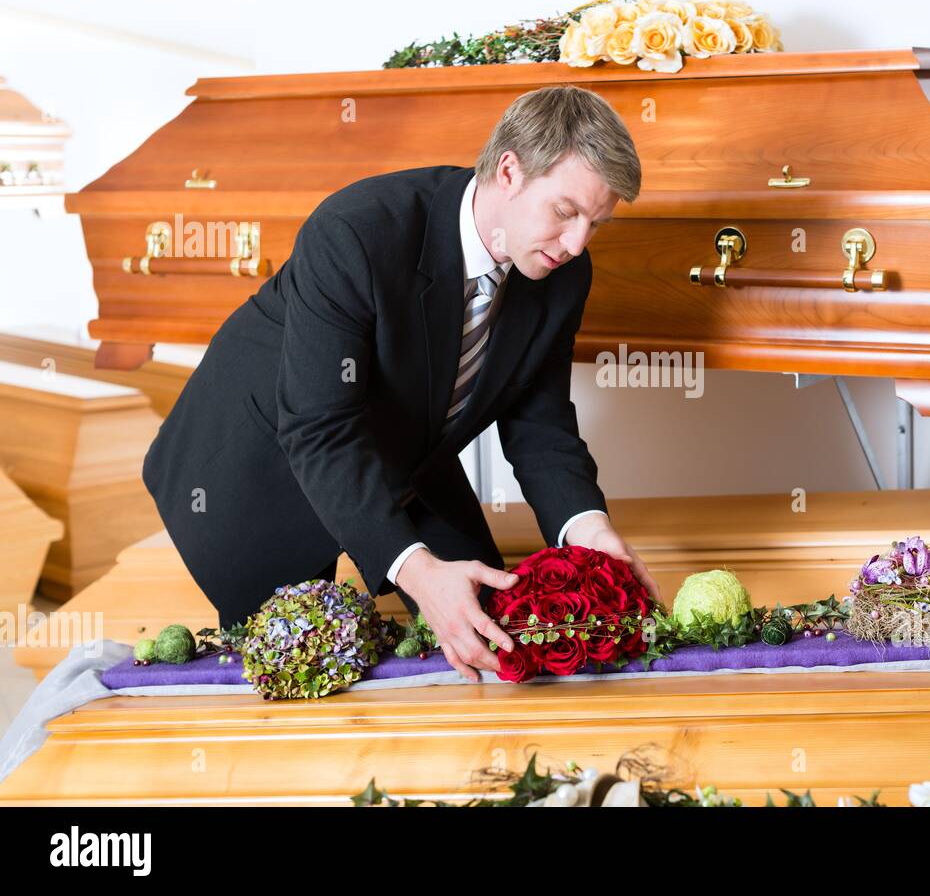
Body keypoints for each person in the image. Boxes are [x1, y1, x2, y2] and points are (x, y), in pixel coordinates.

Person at [142, 85, 660, 681]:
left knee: (492, 633)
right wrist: (414, 569)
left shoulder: (563, 272)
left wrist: (588, 529)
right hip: (256, 461)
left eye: (596, 223)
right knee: (299, 666)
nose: (577, 244)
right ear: (510, 171)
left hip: (404, 453)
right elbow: (318, 428)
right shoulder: (355, 232)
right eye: (566, 211)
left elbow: (538, 423)